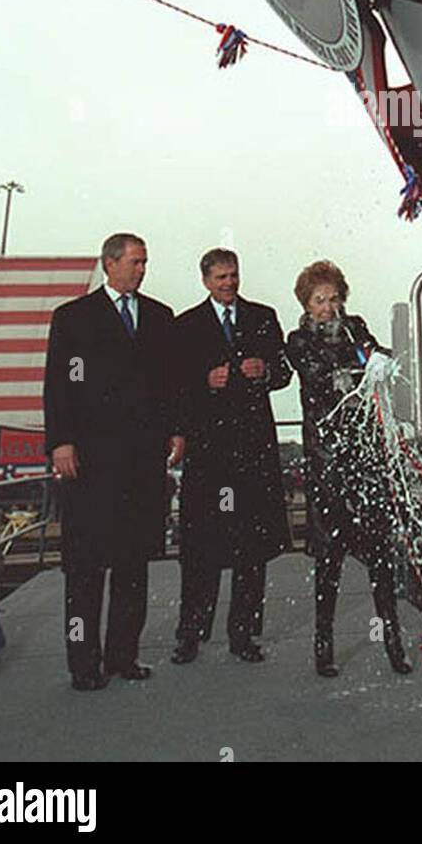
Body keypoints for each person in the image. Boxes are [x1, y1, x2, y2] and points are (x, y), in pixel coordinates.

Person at [43, 233, 183, 691]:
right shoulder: (73, 318)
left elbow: (169, 385)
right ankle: (83, 665)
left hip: (142, 463)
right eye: (135, 262)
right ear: (110, 263)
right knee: (84, 570)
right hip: (89, 462)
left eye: (146, 262)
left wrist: (177, 430)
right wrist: (60, 442)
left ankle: (124, 656)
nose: (142, 270)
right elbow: (60, 385)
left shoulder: (160, 318)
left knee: (132, 565)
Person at [286, 260, 411, 678]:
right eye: (319, 300)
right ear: (306, 303)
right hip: (326, 459)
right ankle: (324, 645)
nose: (328, 306)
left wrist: (382, 362)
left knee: (380, 553)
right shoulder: (298, 339)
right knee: (330, 557)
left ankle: (393, 642)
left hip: (364, 452)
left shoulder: (356, 327)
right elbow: (317, 377)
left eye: (334, 298)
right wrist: (358, 374)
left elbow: (379, 358)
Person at [171, 248, 291, 664]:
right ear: (205, 280)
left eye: (233, 275)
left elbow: (285, 370)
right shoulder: (185, 325)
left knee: (250, 548)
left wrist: (268, 372)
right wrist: (204, 380)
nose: (229, 283)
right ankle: (190, 634)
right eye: (221, 277)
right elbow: (174, 384)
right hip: (208, 453)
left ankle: (243, 635)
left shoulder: (263, 316)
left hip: (252, 451)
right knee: (201, 547)